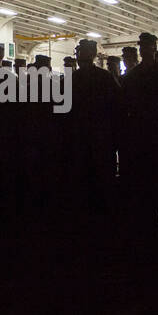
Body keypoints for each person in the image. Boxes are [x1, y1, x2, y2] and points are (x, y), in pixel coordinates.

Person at [120, 32, 158, 204]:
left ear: (154, 48)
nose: (144, 50)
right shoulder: (136, 75)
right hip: (141, 133)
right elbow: (123, 105)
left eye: (147, 46)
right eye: (142, 47)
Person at [69, 38, 120, 207]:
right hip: (94, 137)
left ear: (90, 54)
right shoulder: (104, 77)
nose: (78, 55)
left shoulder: (75, 79)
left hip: (93, 137)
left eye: (81, 51)